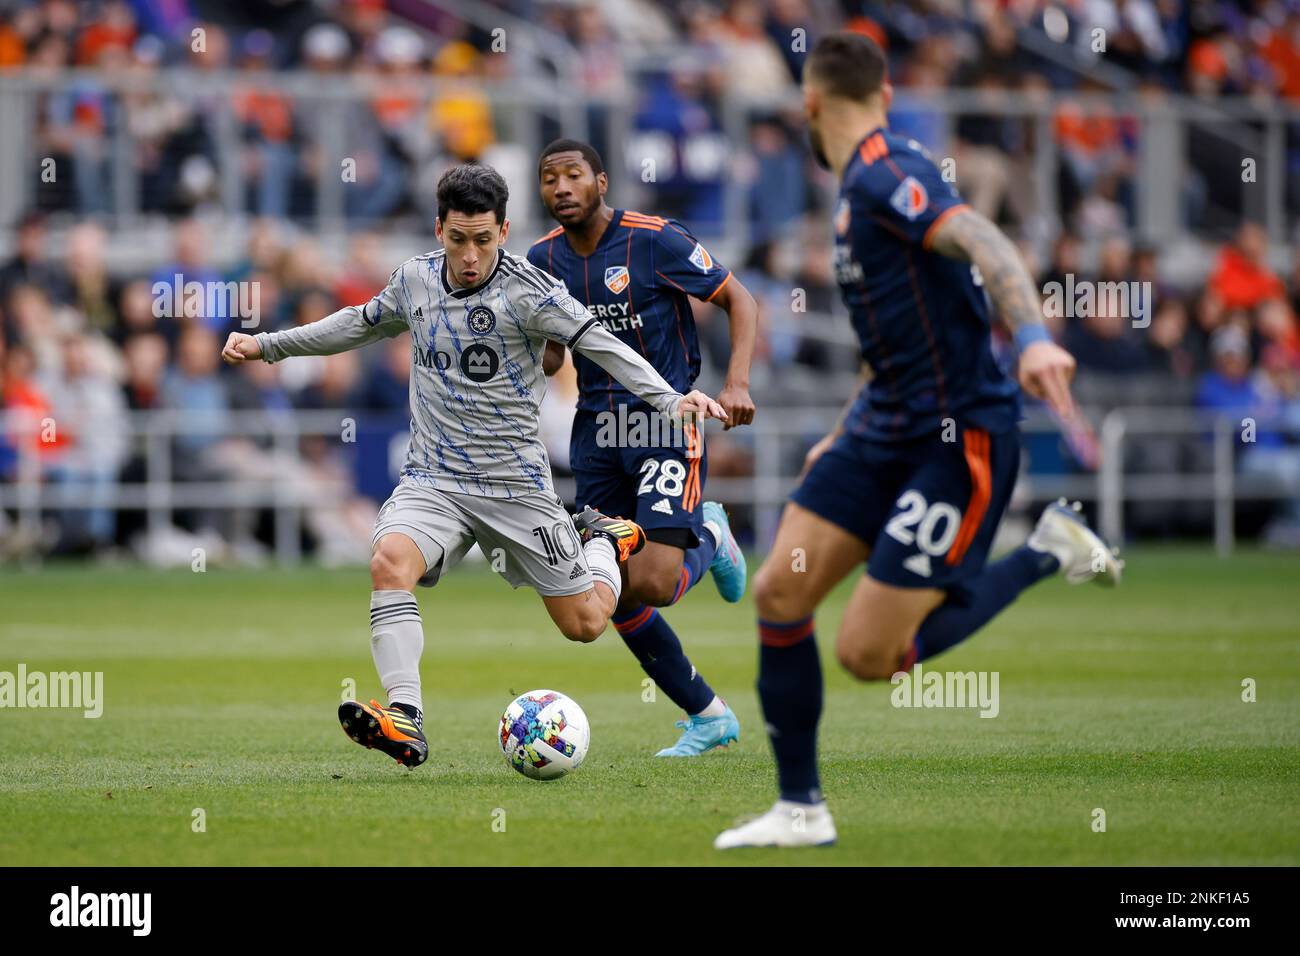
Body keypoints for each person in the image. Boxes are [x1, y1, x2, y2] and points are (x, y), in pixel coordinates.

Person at [715, 33, 1122, 850]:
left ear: (808, 103)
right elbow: (897, 340)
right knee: (779, 595)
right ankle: (800, 810)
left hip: (959, 439)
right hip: (880, 424)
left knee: (871, 654)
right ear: (888, 94)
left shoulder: (883, 172)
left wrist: (1035, 335)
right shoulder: (855, 190)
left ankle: (1047, 548)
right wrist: (840, 435)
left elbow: (986, 239)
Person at [221, 163, 726, 769]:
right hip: (434, 481)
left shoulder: (529, 291)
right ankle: (405, 716)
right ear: (439, 229)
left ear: (504, 231)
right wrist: (270, 345)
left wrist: (671, 399)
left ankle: (604, 545)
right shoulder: (413, 282)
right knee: (388, 562)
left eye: (483, 241)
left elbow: (603, 346)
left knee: (587, 622)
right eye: (458, 239)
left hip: (516, 488)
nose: (469, 256)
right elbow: (356, 325)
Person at [530, 138, 758, 756]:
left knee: (654, 583)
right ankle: (708, 715)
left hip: (664, 423)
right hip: (597, 431)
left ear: (601, 181)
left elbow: (739, 297)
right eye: (549, 179)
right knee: (612, 590)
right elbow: (551, 356)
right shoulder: (539, 259)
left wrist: (735, 382)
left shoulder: (655, 239)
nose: (561, 189)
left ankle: (710, 534)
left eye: (574, 176)